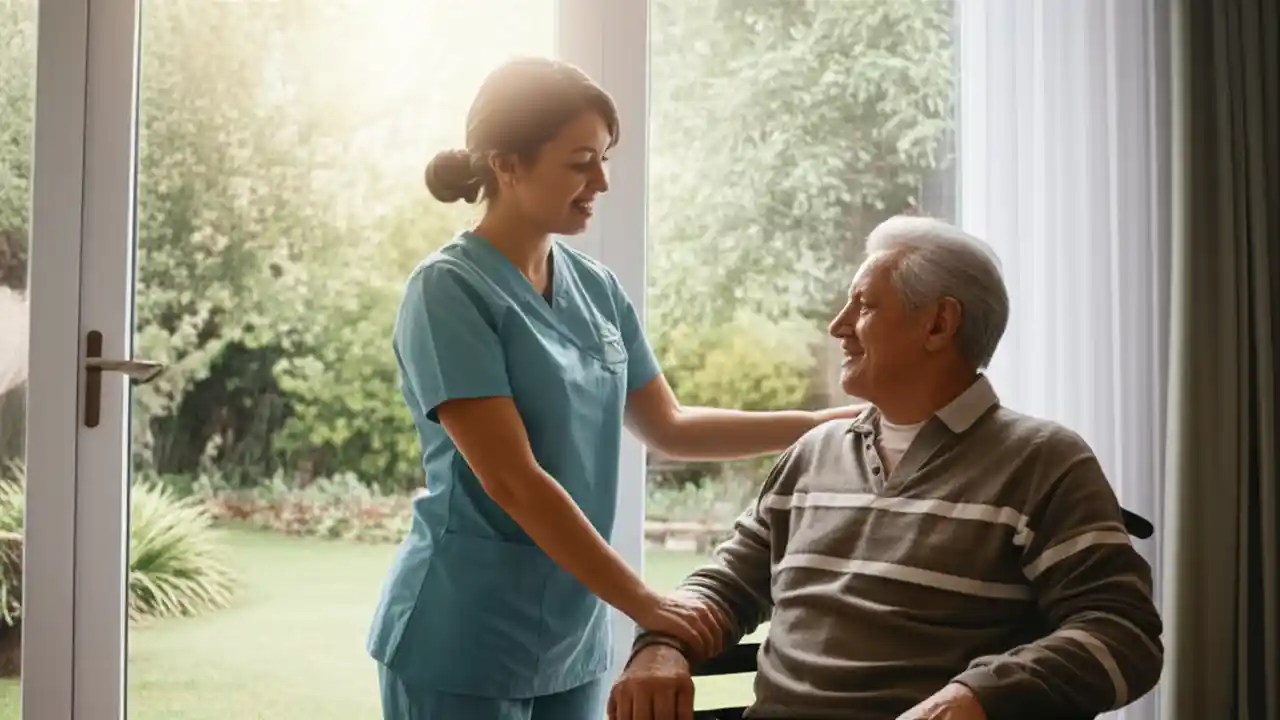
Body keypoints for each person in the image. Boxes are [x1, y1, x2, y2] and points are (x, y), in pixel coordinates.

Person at [365, 57, 859, 720]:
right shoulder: (449, 291)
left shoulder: (596, 288)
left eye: (604, 158)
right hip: (461, 635)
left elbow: (671, 426)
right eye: (580, 162)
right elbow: (512, 479)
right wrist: (647, 604)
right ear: (508, 165)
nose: (601, 180)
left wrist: (831, 423)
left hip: (571, 635)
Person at [610, 216, 1164, 720]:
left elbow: (1123, 633)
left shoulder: (1042, 461)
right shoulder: (813, 453)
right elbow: (728, 584)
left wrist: (980, 697)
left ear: (939, 324)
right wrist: (663, 645)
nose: (838, 326)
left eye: (864, 306)